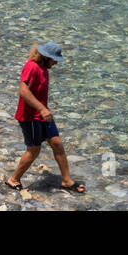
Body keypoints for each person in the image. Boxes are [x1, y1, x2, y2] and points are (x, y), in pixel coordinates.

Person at [5, 41, 83, 194]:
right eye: (54, 59)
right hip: (30, 117)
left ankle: (67, 181)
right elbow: (23, 90)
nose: (55, 63)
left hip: (42, 114)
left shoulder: (44, 67)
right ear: (46, 57)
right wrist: (41, 108)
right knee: (34, 150)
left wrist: (43, 110)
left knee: (57, 143)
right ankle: (14, 179)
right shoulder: (31, 66)